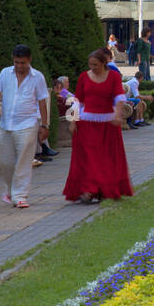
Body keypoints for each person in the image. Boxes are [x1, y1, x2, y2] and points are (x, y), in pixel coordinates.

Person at [0, 44, 50, 209]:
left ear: (29, 60)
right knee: (3, 160)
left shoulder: (37, 77)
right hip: (6, 124)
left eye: (23, 63)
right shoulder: (5, 73)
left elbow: (42, 101)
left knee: (23, 161)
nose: (19, 66)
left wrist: (45, 125)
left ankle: (20, 195)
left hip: (28, 124)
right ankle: (11, 189)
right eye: (16, 62)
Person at [63, 49, 133, 203]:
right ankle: (88, 190)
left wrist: (118, 115)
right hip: (87, 124)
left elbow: (120, 97)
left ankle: (103, 189)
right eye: (90, 64)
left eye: (95, 64)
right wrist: (73, 121)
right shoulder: (83, 77)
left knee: (106, 159)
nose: (92, 67)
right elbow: (77, 101)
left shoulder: (113, 76)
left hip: (108, 125)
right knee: (89, 159)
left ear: (104, 63)